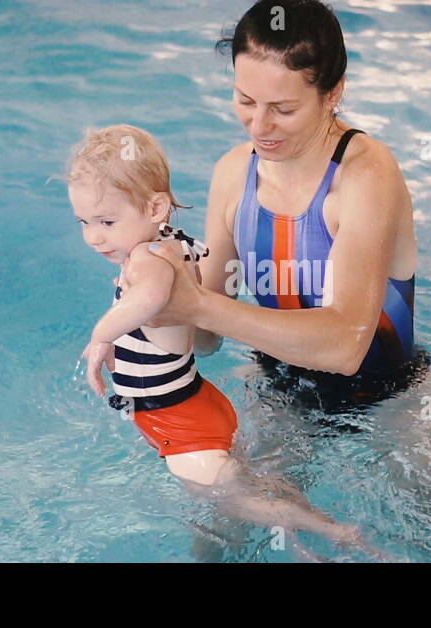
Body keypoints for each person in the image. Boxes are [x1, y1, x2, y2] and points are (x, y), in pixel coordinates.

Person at [64, 124, 368, 551]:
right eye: (85, 222)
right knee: (246, 487)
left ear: (155, 208)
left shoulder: (145, 261)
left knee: (233, 500)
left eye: (107, 221)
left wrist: (101, 336)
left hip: (178, 419)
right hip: (196, 402)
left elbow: (149, 297)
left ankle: (336, 533)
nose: (94, 236)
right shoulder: (170, 244)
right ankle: (297, 541)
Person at [139, 0, 423, 410]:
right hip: (282, 388)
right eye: (246, 101)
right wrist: (160, 280)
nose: (259, 126)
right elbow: (205, 340)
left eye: (283, 109)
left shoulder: (366, 175)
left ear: (333, 92)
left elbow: (346, 347)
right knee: (218, 474)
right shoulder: (234, 173)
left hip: (392, 396)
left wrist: (199, 305)